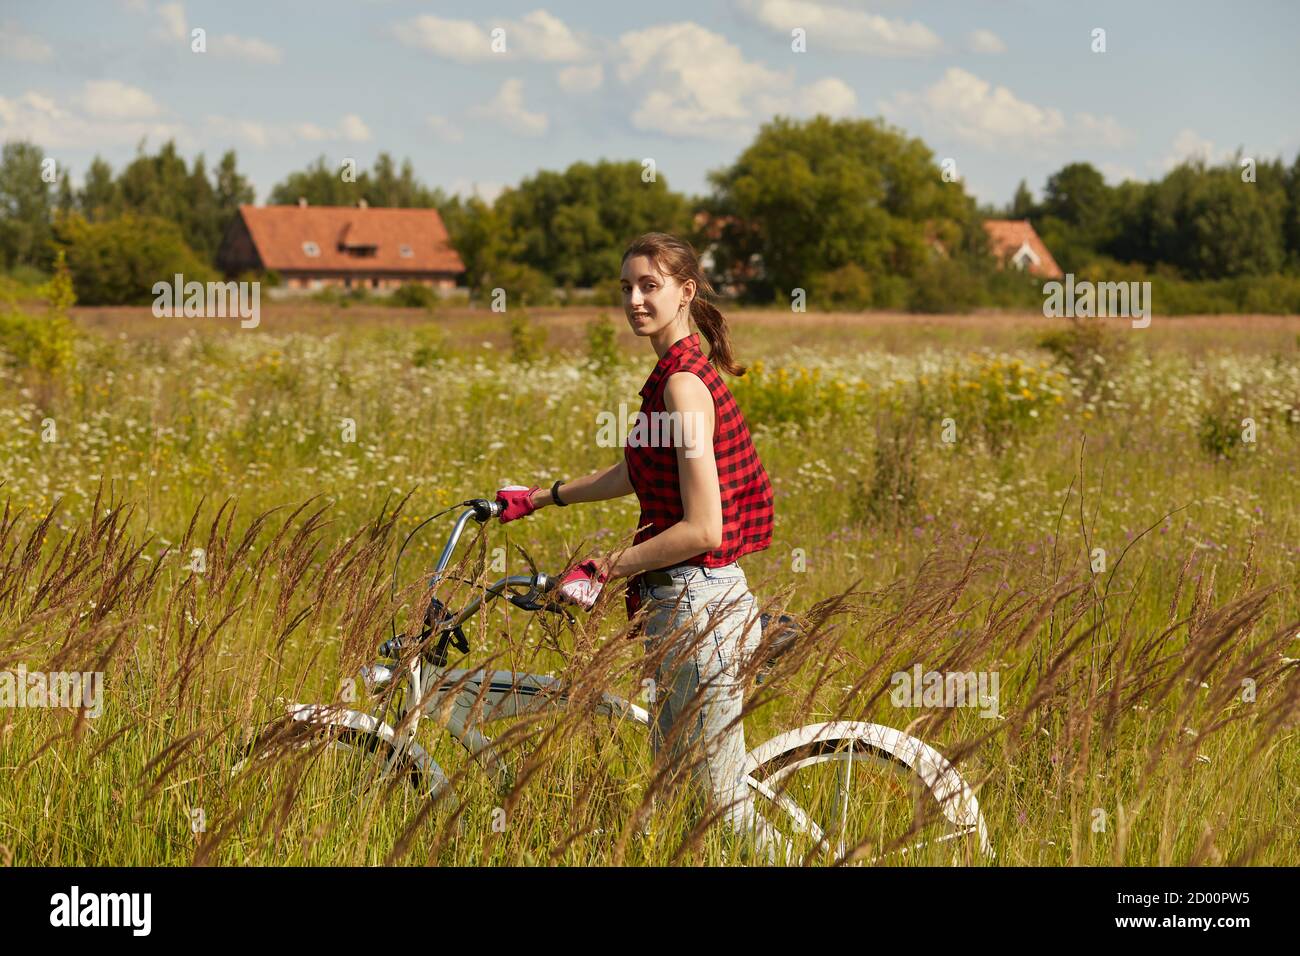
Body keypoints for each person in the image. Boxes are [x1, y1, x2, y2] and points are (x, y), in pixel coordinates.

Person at [494, 232, 788, 863]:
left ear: (685, 292)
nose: (634, 299)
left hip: (696, 606)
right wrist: (543, 497)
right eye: (626, 286)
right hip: (676, 603)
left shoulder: (683, 385)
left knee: (721, 807)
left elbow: (703, 528)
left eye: (649, 286)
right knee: (679, 794)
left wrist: (607, 567)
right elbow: (637, 471)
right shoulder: (670, 375)